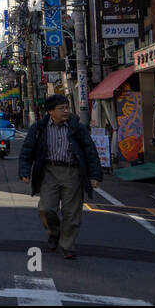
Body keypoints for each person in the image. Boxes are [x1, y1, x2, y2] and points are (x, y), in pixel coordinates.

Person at [18, 94, 102, 260]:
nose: (66, 111)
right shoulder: (39, 128)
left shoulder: (76, 127)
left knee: (71, 213)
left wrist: (94, 175)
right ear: (50, 111)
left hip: (73, 173)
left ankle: (67, 245)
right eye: (61, 108)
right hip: (48, 171)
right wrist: (24, 171)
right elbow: (27, 150)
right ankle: (54, 232)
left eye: (67, 108)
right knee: (46, 208)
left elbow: (90, 151)